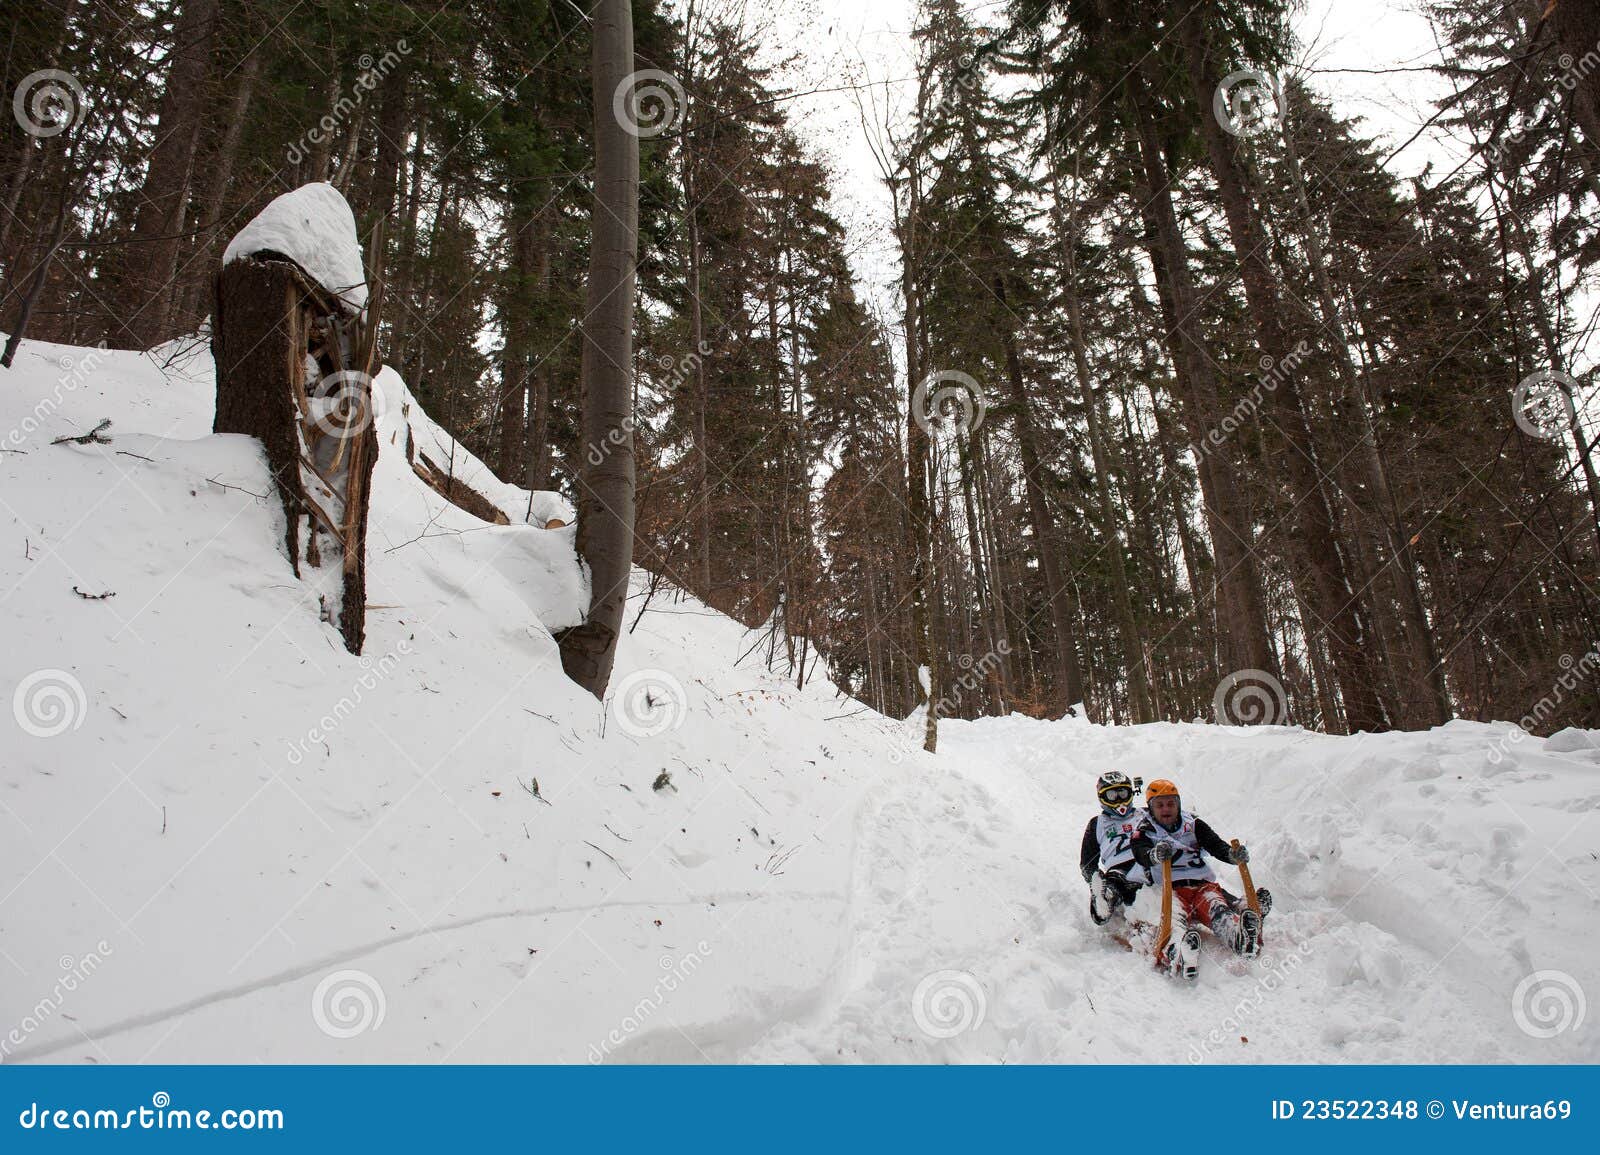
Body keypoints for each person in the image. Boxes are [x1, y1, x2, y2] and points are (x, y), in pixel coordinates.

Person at [1131, 779, 1273, 969]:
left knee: (1217, 908)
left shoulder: (1193, 824)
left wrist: (1231, 855)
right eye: (1160, 805)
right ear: (1151, 808)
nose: (1166, 809)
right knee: (1173, 921)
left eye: (1171, 804)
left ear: (1178, 804)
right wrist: (1154, 855)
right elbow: (1141, 854)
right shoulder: (1144, 830)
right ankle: (1178, 951)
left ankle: (1240, 937)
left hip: (1201, 886)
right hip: (1170, 891)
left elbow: (1215, 845)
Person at [1078, 772, 1149, 927]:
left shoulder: (1146, 814)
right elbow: (1087, 862)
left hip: (1148, 862)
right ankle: (1104, 899)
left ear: (1130, 793)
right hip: (1119, 873)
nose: (1118, 801)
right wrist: (1093, 877)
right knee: (1114, 887)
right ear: (1103, 798)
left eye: (1122, 793)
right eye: (1112, 795)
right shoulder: (1097, 824)